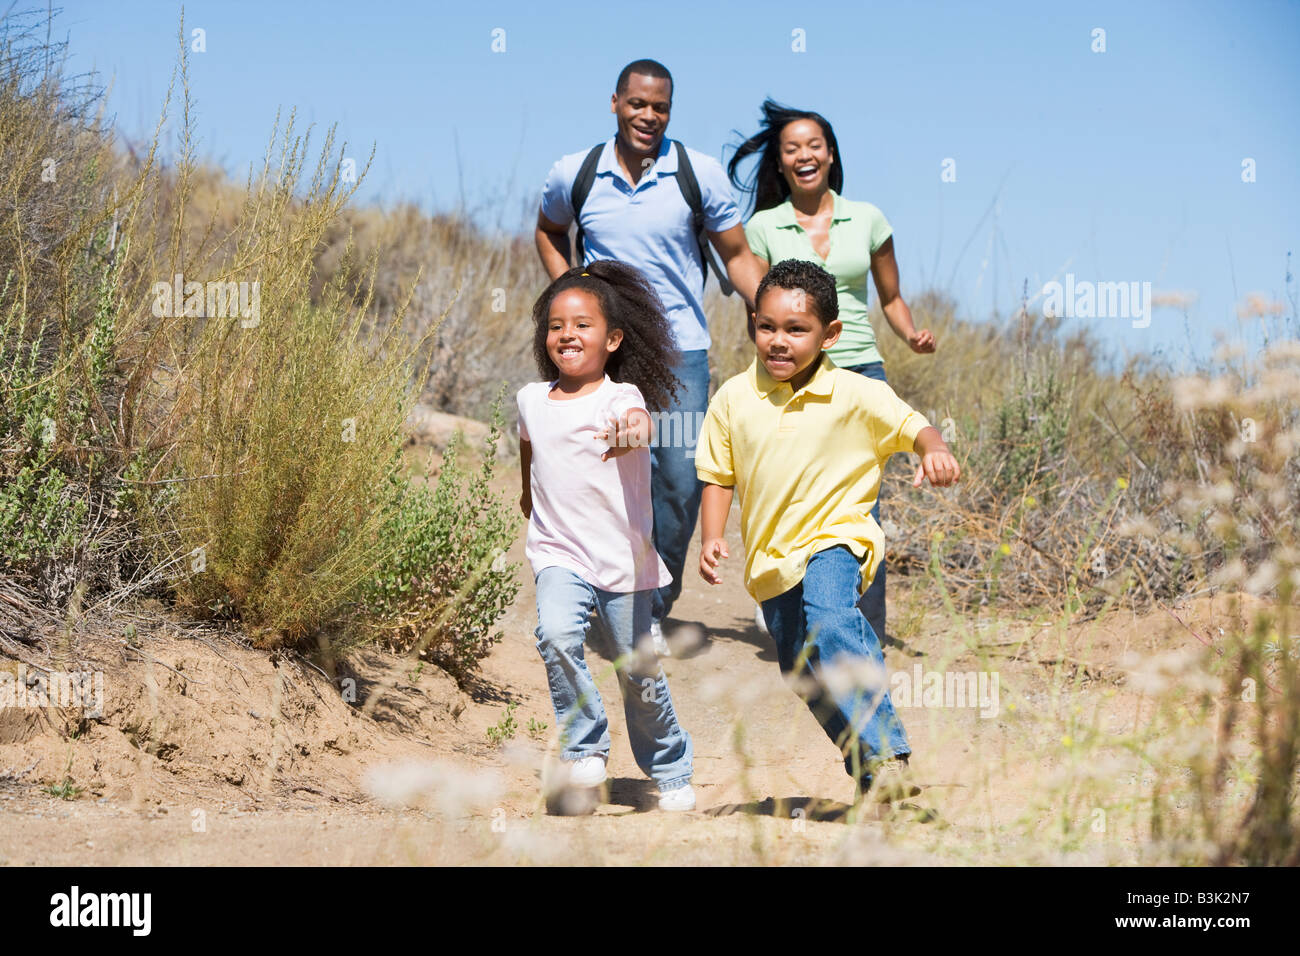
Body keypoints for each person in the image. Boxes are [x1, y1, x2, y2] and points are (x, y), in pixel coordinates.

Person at [694, 259, 960, 805]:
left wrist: (934, 449)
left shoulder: (855, 392)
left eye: (797, 330)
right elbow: (718, 476)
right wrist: (712, 536)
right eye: (767, 326)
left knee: (831, 615)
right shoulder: (732, 400)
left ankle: (888, 751)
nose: (779, 341)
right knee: (803, 669)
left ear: (830, 334)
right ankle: (871, 772)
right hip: (771, 562)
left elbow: (914, 426)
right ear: (752, 322)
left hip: (838, 537)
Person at [535, 58, 764, 652]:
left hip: (681, 350)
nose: (648, 116)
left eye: (660, 106)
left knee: (682, 478)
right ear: (615, 103)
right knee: (603, 475)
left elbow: (736, 255)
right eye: (637, 104)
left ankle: (652, 604)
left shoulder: (697, 174)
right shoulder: (576, 173)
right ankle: (611, 604)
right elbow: (548, 228)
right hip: (606, 352)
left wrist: (774, 309)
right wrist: (568, 290)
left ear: (670, 110)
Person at [727, 99, 936, 646]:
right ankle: (795, 610)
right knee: (792, 492)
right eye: (791, 147)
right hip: (792, 380)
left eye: (813, 145)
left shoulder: (867, 219)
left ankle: (859, 629)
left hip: (862, 370)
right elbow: (759, 307)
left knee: (860, 505)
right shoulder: (763, 227)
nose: (804, 155)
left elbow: (891, 297)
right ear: (778, 162)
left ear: (831, 154)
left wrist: (911, 334)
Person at [517, 259, 696, 811]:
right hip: (558, 551)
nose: (566, 334)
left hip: (622, 557)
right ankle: (584, 745)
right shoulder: (530, 398)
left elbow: (639, 424)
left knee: (637, 671)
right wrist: (528, 495)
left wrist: (632, 431)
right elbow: (530, 447)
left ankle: (669, 766)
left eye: (582, 325)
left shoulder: (622, 398)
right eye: (555, 325)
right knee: (555, 634)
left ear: (613, 338)